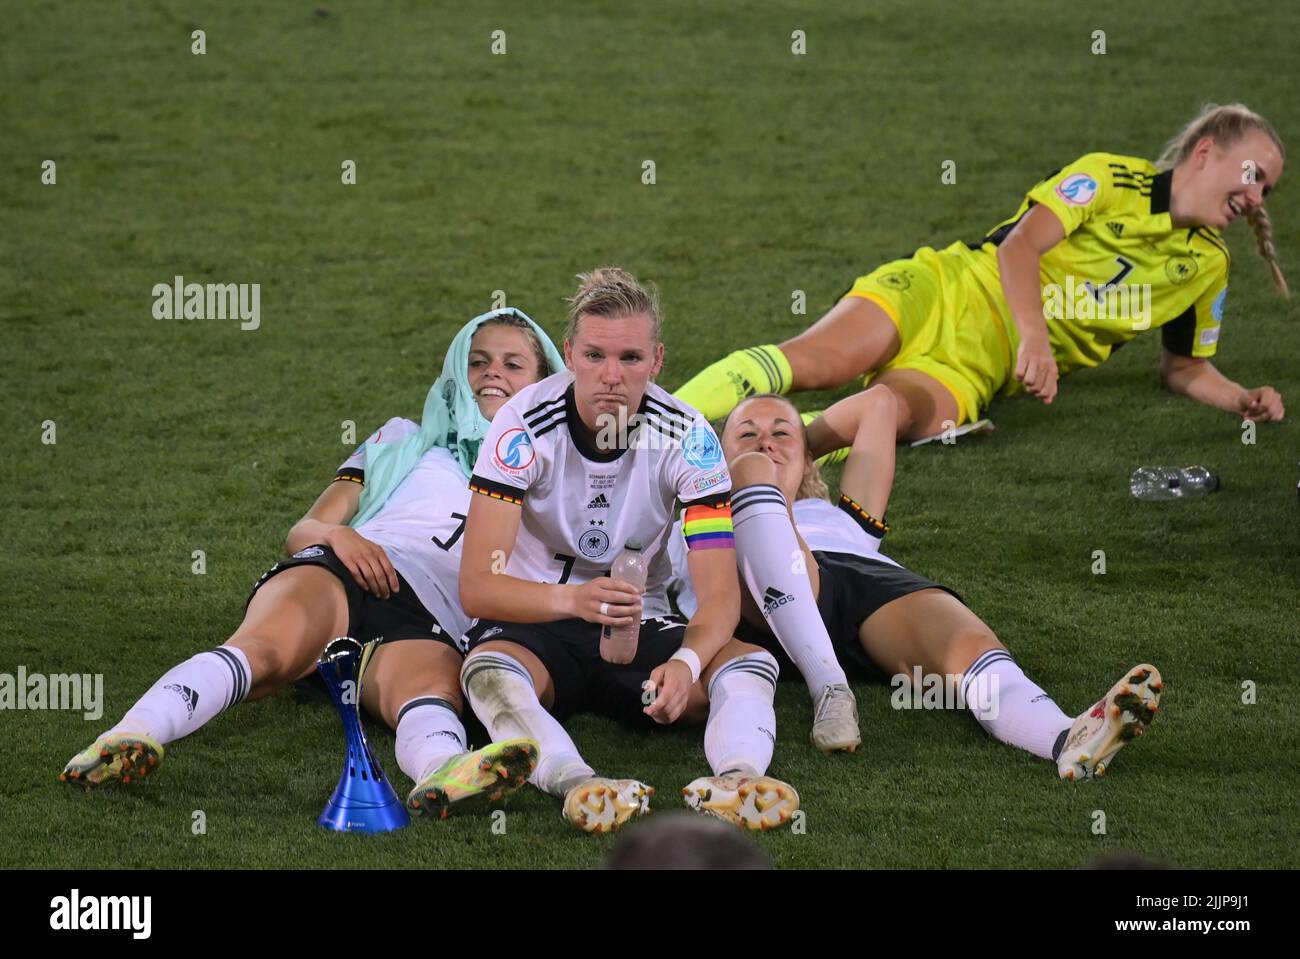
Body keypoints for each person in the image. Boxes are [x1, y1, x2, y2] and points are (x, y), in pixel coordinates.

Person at [62, 308, 565, 818]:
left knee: (430, 692)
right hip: (347, 569)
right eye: (477, 361)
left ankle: (445, 770)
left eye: (512, 364)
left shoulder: (555, 475)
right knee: (266, 653)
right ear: (457, 372)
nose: (491, 373)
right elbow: (304, 528)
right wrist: (340, 537)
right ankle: (131, 734)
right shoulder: (403, 437)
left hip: (437, 613)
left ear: (544, 385)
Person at [675, 103, 1287, 440]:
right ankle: (658, 422)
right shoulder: (1107, 177)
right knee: (815, 363)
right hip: (947, 288)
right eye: (1253, 177)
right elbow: (1018, 249)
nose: (1257, 198)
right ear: (1205, 153)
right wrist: (1037, 339)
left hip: (977, 367)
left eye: (1270, 190)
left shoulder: (1207, 266)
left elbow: (1183, 366)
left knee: (887, 418)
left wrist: (1241, 399)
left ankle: (722, 461)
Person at [458, 268, 799, 833]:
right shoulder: (520, 426)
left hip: (640, 624)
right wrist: (575, 601)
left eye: (631, 359)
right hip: (538, 620)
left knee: (749, 662)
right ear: (568, 353)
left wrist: (686, 664)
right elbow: (477, 586)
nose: (612, 376)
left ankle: (738, 780)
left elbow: (718, 597)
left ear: (657, 360)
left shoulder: (688, 437)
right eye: (594, 356)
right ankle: (576, 782)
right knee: (488, 672)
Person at [670, 388, 1162, 779]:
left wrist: (795, 448)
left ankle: (1064, 737)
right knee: (752, 474)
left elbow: (878, 404)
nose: (765, 440)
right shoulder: (695, 516)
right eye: (746, 432)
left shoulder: (840, 517)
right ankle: (829, 690)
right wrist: (763, 457)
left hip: (854, 580)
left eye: (781, 432)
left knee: (962, 644)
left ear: (809, 456)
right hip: (756, 600)